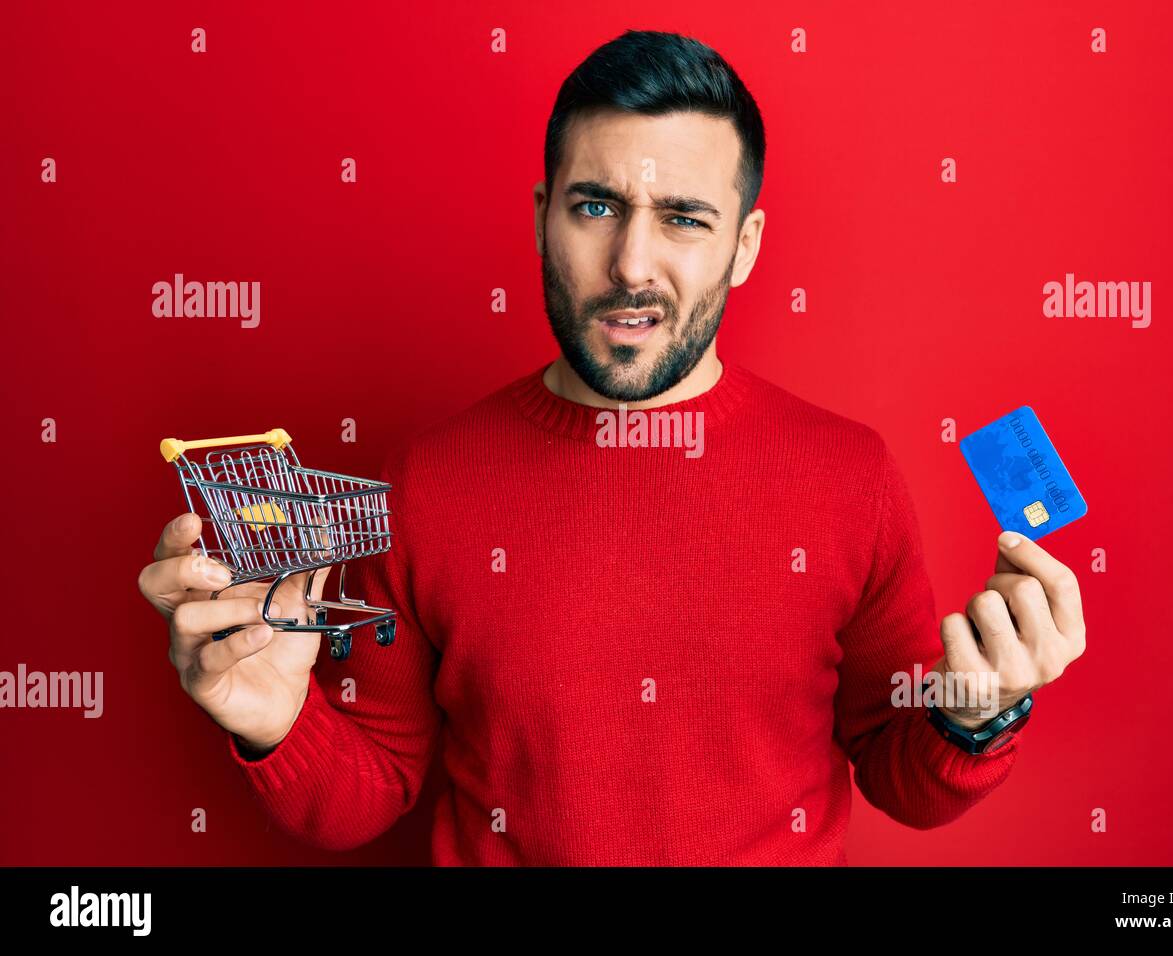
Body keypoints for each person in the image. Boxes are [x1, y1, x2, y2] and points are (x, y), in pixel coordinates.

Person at [137, 29, 1085, 865]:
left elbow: (899, 775)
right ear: (543, 213)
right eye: (595, 207)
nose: (633, 263)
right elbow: (366, 792)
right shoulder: (427, 483)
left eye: (683, 218)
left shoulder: (852, 478)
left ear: (745, 245)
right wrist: (276, 724)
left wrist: (974, 714)